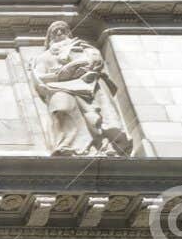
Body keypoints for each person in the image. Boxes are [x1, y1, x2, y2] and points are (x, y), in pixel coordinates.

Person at [29, 21, 131, 156]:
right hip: (58, 87)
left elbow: (96, 62)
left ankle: (103, 144)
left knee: (96, 115)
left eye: (62, 30)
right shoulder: (44, 57)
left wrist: (83, 67)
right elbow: (40, 77)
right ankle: (66, 144)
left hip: (88, 83)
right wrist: (60, 75)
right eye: (55, 31)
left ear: (68, 33)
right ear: (50, 38)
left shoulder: (84, 48)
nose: (59, 33)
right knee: (61, 109)